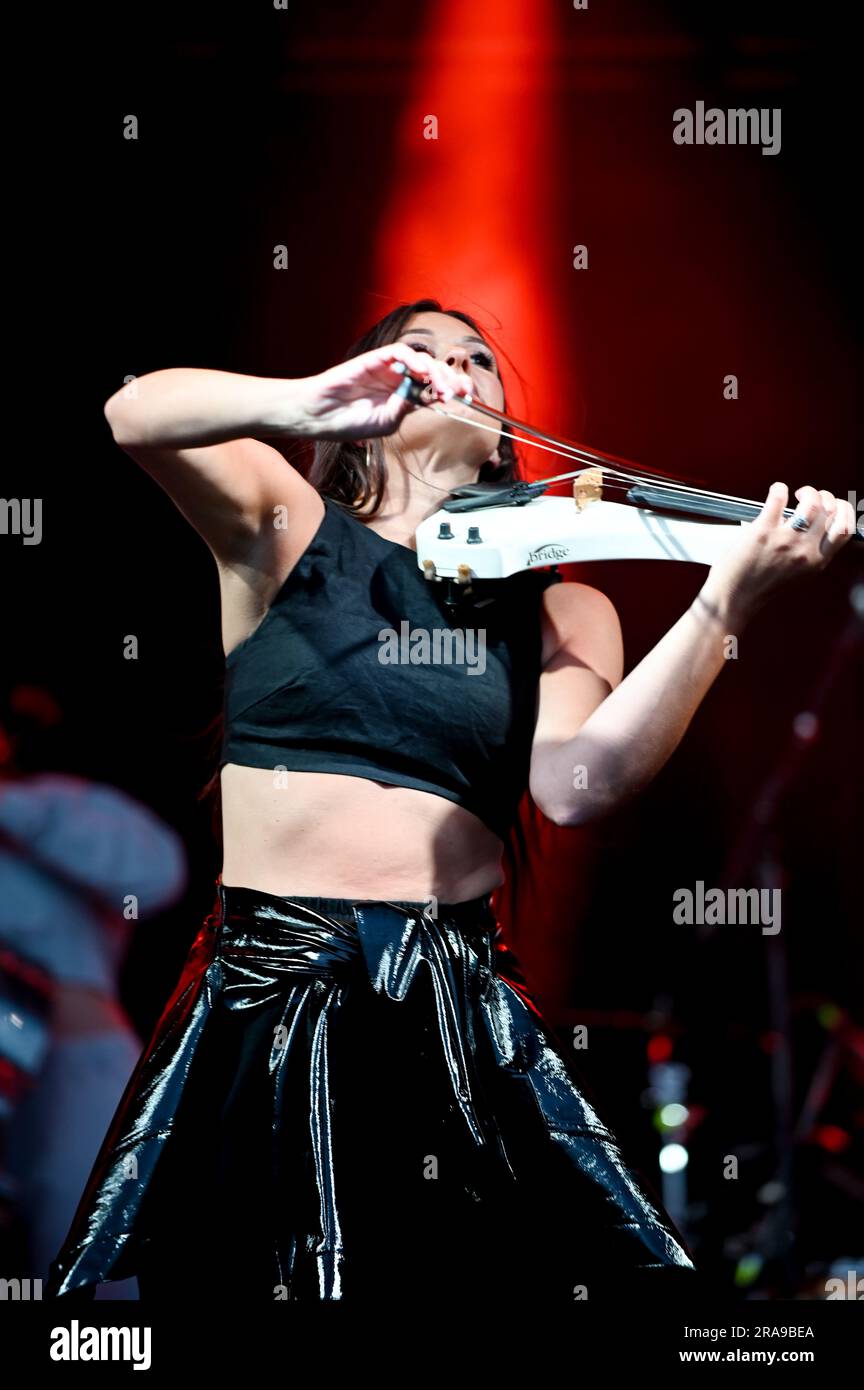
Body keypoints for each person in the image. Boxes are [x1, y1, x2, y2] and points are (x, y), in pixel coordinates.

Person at [45, 299, 855, 1305]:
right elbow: (134, 413)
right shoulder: (288, 528)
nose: (456, 368)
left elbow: (577, 785)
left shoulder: (563, 606)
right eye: (419, 352)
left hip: (459, 1006)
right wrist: (312, 404)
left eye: (480, 358)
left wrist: (719, 607)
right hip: (275, 992)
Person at [0, 690, 188, 1299]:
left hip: (78, 1070)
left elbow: (158, 874)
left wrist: (16, 810)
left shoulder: (59, 806)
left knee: (89, 1271)